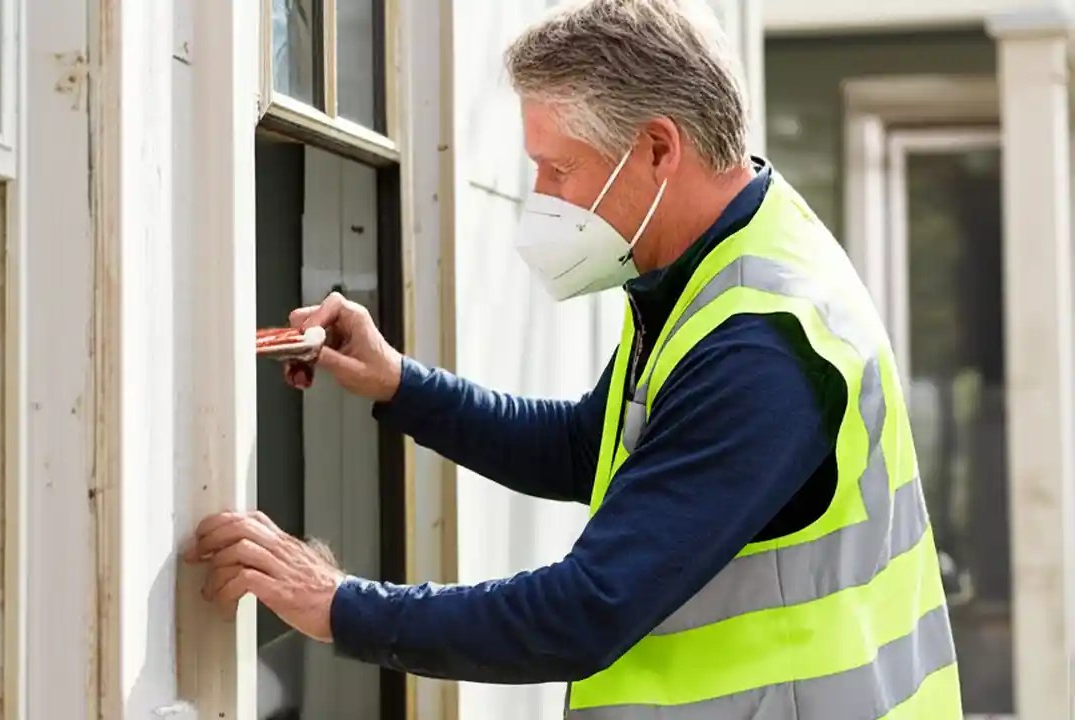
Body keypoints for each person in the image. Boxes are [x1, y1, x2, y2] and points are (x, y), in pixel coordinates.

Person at [182, 0, 962, 716]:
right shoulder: (716, 263)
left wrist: (339, 604)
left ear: (657, 148)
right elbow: (590, 447)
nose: (543, 197)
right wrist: (400, 384)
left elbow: (584, 611)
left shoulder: (760, 346)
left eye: (560, 169)